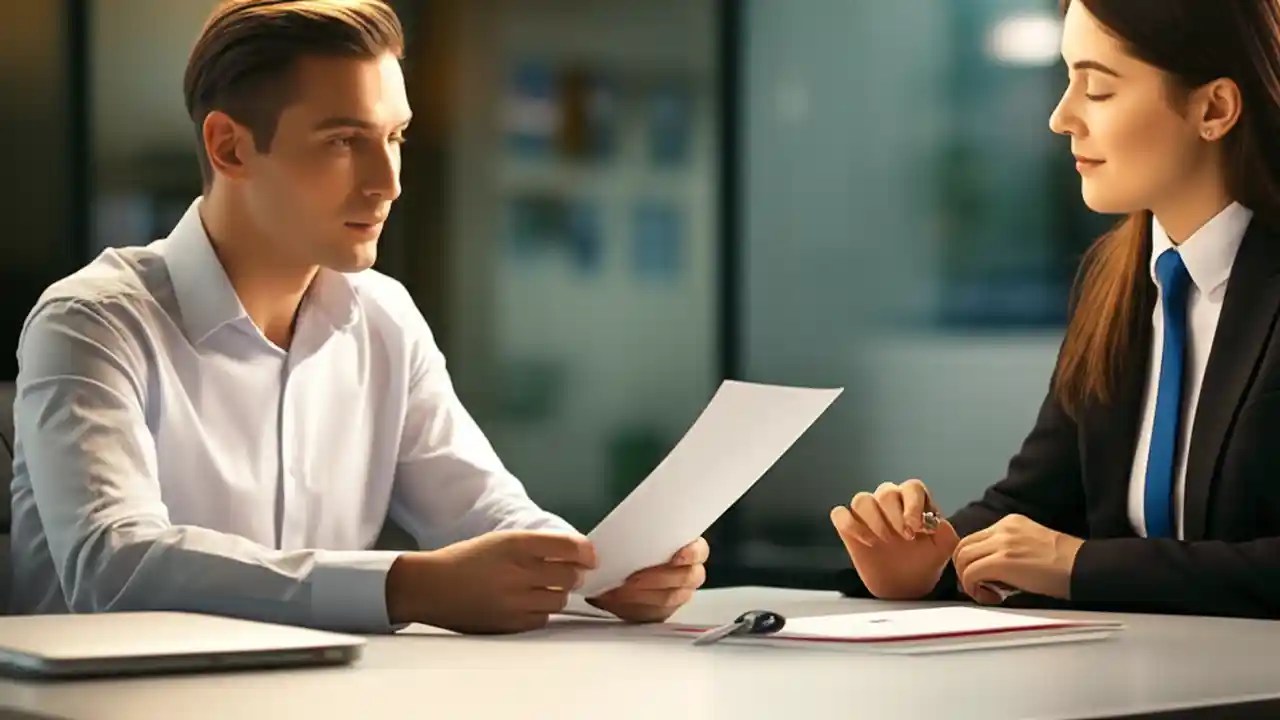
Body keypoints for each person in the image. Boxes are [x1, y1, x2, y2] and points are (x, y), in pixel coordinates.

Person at [9, 0, 707, 634]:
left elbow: (487, 511)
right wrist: (404, 586)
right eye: (344, 141)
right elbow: (113, 565)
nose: (389, 181)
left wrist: (602, 573)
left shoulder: (382, 317)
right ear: (229, 147)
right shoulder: (92, 323)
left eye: (395, 135)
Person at [831, 0, 1280, 619]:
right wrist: (932, 562)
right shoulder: (1115, 280)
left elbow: (1063, 556)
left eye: (1096, 89)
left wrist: (1082, 566)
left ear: (1214, 109)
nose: (1061, 117)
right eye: (1067, 80)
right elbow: (1036, 503)